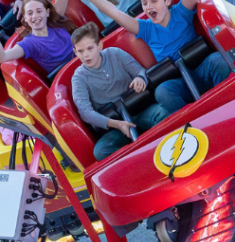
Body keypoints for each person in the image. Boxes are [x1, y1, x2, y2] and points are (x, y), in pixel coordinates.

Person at [68, 0, 230, 114]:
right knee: (163, 92)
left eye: (154, 1)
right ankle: (193, 121)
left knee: (218, 61)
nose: (148, 6)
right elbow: (113, 11)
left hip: (202, 68)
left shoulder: (181, 12)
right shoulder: (144, 28)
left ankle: (225, 105)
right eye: (144, 3)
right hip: (180, 80)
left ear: (167, 1)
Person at [69, 23, 170, 161]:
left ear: (99, 46)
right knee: (101, 151)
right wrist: (117, 124)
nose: (86, 55)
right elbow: (85, 113)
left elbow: (140, 71)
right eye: (80, 51)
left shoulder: (115, 53)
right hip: (115, 124)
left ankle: (165, 152)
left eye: (90, 48)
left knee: (164, 113)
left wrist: (140, 79)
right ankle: (140, 162)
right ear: (75, 52)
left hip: (139, 110)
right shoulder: (78, 78)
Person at [0, 0, 75, 76]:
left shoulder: (56, 21)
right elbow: (2, 57)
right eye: (30, 13)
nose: (35, 16)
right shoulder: (29, 43)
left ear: (47, 12)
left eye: (39, 11)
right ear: (25, 18)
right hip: (68, 75)